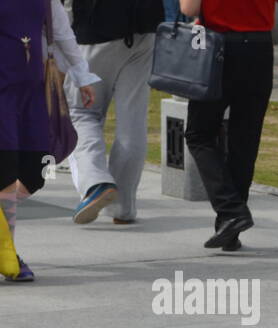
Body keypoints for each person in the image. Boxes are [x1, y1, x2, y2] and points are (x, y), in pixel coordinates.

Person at [179, 0, 278, 251]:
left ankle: (231, 211)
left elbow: (189, 9)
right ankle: (230, 227)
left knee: (199, 134)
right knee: (245, 138)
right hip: (258, 48)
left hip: (217, 47)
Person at [1, 0, 98, 283]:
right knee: (5, 172)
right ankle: (7, 254)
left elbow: (62, 32)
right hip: (2, 95)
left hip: (33, 94)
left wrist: (82, 75)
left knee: (38, 171)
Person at [66, 0, 164, 227]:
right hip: (144, 27)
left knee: (81, 112)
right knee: (133, 119)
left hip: (95, 27)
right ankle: (123, 207)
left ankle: (95, 181)